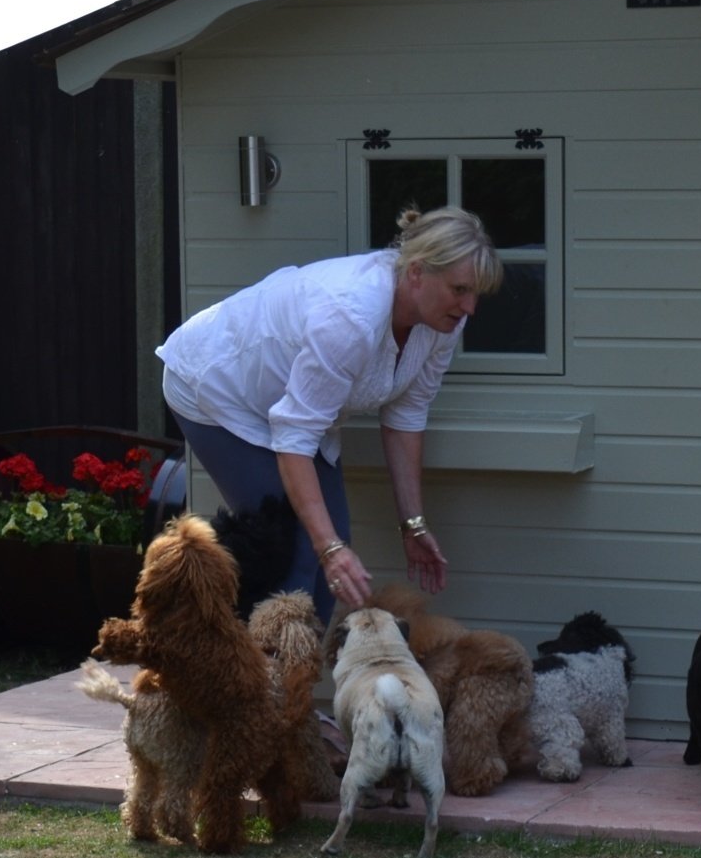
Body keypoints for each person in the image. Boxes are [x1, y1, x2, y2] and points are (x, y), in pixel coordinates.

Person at [156, 206, 502, 624]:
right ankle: (252, 682)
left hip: (295, 412)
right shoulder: (351, 316)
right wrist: (328, 547)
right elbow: (295, 436)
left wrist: (413, 524)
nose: (470, 307)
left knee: (333, 560)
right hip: (216, 388)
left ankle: (291, 684)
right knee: (298, 553)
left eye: (475, 294)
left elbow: (406, 412)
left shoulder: (442, 321)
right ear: (416, 272)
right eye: (460, 289)